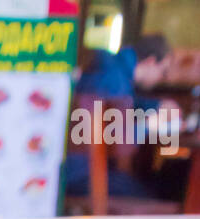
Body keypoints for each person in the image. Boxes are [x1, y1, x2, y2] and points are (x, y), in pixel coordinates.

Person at [65, 34, 172, 200]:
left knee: (158, 182)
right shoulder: (114, 80)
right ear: (151, 62)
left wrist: (156, 105)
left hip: (73, 168)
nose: (163, 78)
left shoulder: (113, 69)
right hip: (83, 175)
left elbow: (124, 103)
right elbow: (116, 140)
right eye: (163, 72)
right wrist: (149, 126)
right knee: (159, 193)